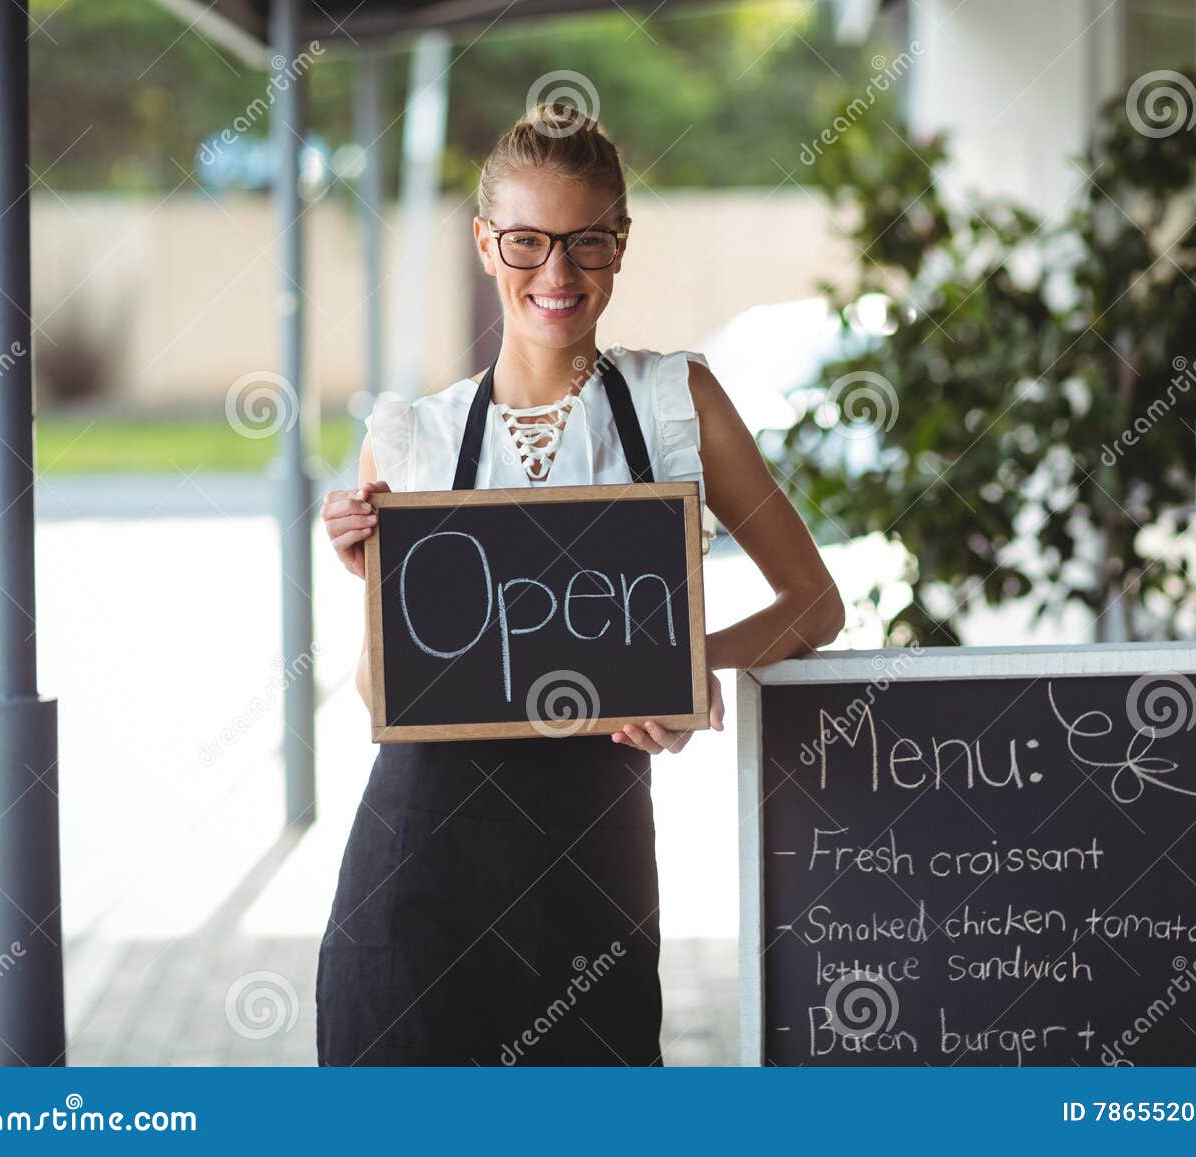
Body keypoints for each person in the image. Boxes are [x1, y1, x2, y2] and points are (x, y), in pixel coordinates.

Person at [314, 103, 844, 1066]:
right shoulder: (410, 437)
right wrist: (375, 583)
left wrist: (680, 672)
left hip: (586, 867)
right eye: (526, 242)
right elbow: (373, 696)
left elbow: (815, 606)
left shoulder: (675, 401)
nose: (556, 274)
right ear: (485, 244)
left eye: (586, 242)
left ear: (620, 244)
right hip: (416, 871)